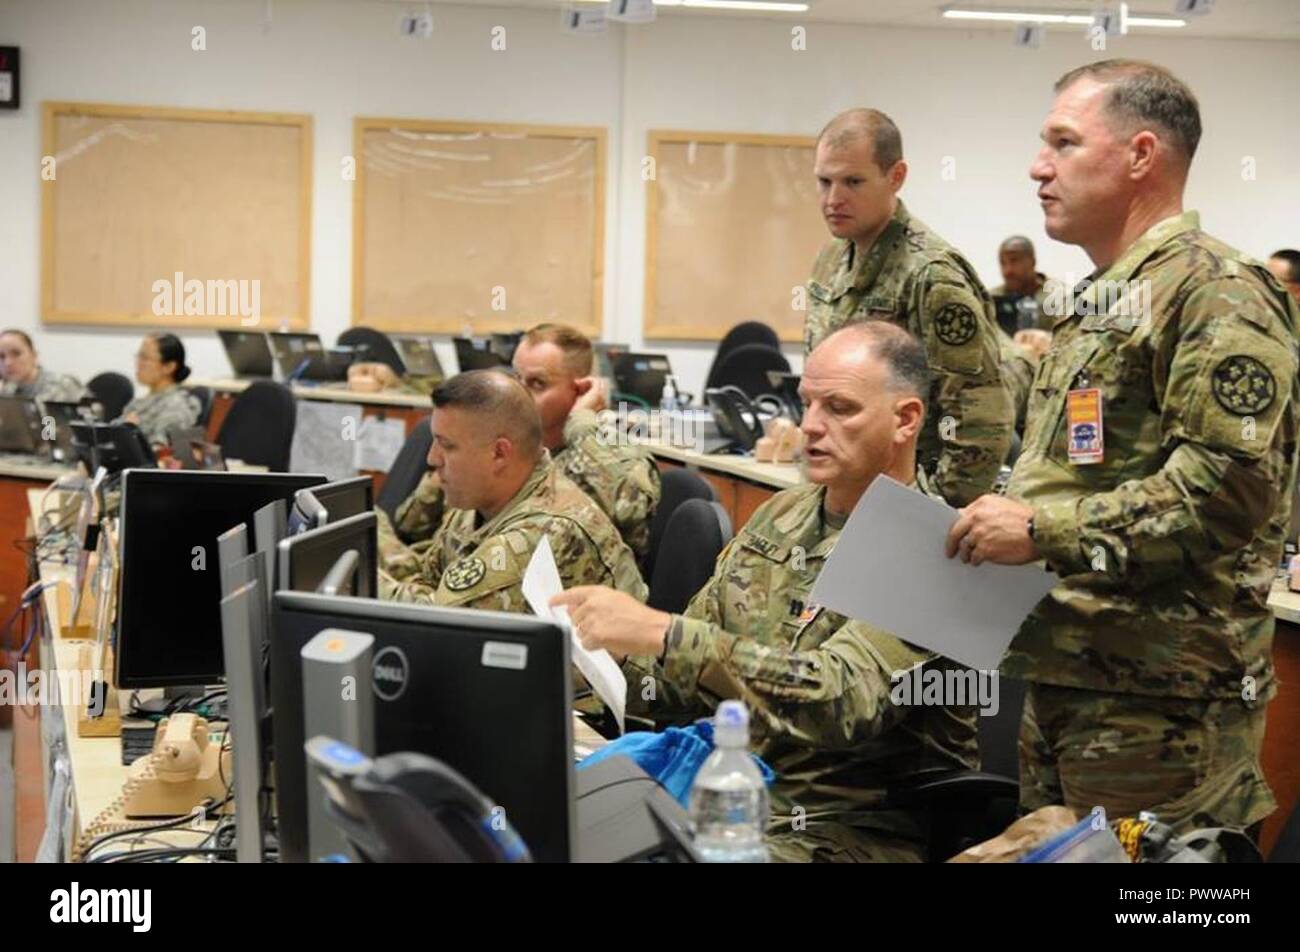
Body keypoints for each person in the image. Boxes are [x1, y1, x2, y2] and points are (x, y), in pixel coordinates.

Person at [946, 60, 1298, 834]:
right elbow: (1081, 471)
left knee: (1165, 911)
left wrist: (1040, 531)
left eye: (1064, 143)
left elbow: (1228, 493)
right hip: (1068, 673)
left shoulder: (1217, 291)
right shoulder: (1104, 297)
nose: (1039, 166)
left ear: (1141, 156)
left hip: (1162, 709)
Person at [553, 323, 978, 863]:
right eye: (807, 403)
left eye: (840, 408)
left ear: (906, 419)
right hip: (726, 789)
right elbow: (682, 679)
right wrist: (582, 659)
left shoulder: (934, 547)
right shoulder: (785, 514)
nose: (811, 427)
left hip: (844, 830)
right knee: (539, 821)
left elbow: (841, 702)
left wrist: (663, 633)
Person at [804, 108, 1011, 506]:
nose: (833, 199)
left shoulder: (931, 275)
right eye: (824, 181)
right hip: (845, 491)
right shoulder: (831, 261)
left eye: (853, 182)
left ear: (895, 177)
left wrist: (932, 512)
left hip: (905, 500)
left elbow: (982, 420)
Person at [380, 370, 646, 611]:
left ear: (499, 453)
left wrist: (351, 573)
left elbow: (438, 621)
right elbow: (429, 582)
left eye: (446, 445)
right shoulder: (479, 502)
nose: (432, 458)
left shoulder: (545, 531)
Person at [392, 323, 661, 562]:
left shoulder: (613, 454)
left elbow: (627, 515)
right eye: (517, 378)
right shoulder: (496, 442)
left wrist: (581, 423)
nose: (519, 392)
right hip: (450, 567)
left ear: (580, 391)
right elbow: (409, 523)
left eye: (537, 384)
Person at [117, 333, 202, 450]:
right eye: (139, 356)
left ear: (169, 367)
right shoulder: (140, 402)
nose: (138, 364)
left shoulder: (176, 407)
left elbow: (160, 455)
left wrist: (131, 433)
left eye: (145, 358)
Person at [988, 236, 1061, 331]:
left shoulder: (1060, 297)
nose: (1008, 270)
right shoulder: (990, 300)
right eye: (1003, 263)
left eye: (1014, 261)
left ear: (1032, 262)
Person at [0, 329, 85, 405]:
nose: (8, 363)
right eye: (1, 356)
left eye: (16, 354)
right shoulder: (7, 389)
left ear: (34, 355)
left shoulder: (62, 385)